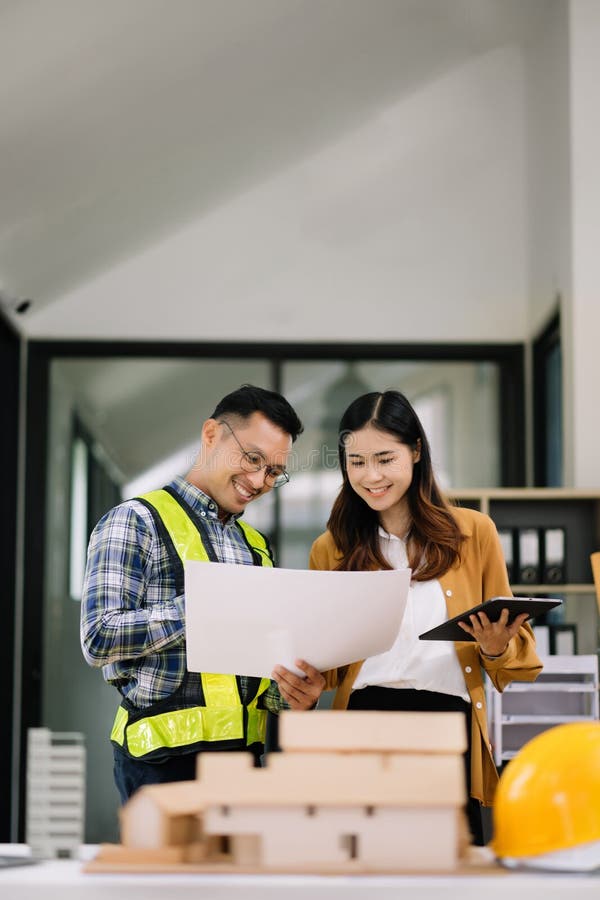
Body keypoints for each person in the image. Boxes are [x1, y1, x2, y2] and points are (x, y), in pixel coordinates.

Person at [306, 390, 543, 845]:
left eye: (384, 459)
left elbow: (517, 658)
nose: (370, 476)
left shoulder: (474, 534)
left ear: (416, 451)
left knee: (447, 871)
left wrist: (495, 647)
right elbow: (329, 664)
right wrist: (308, 677)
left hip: (446, 727)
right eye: (356, 462)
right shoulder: (330, 547)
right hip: (362, 726)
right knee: (365, 870)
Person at [81, 384, 325, 802]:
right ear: (211, 434)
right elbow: (99, 637)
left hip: (245, 762)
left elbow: (254, 674)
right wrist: (204, 607)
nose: (258, 480)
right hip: (161, 764)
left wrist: (292, 696)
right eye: (252, 458)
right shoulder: (135, 520)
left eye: (272, 472)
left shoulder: (256, 545)